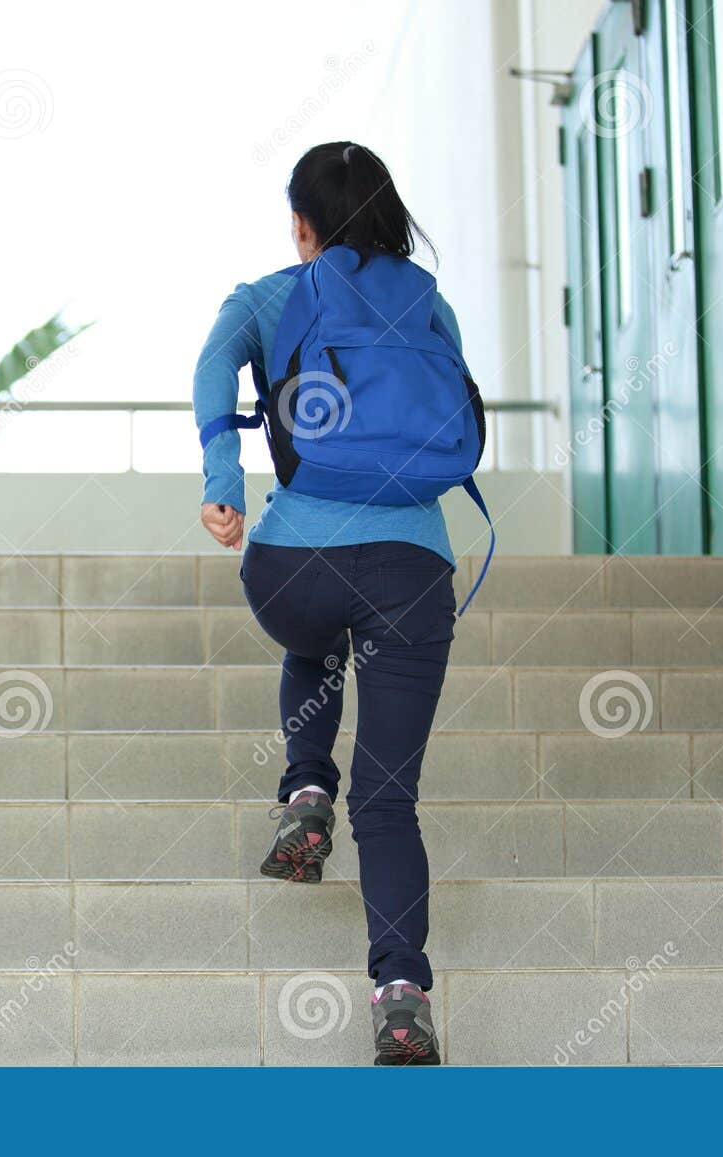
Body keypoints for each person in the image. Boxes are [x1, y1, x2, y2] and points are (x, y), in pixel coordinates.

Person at [193, 141, 461, 1065]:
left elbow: (212, 369)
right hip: (415, 568)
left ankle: (306, 786)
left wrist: (223, 479)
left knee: (318, 637)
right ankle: (400, 995)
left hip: (294, 562)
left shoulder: (270, 296)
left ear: (302, 224)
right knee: (390, 801)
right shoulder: (429, 303)